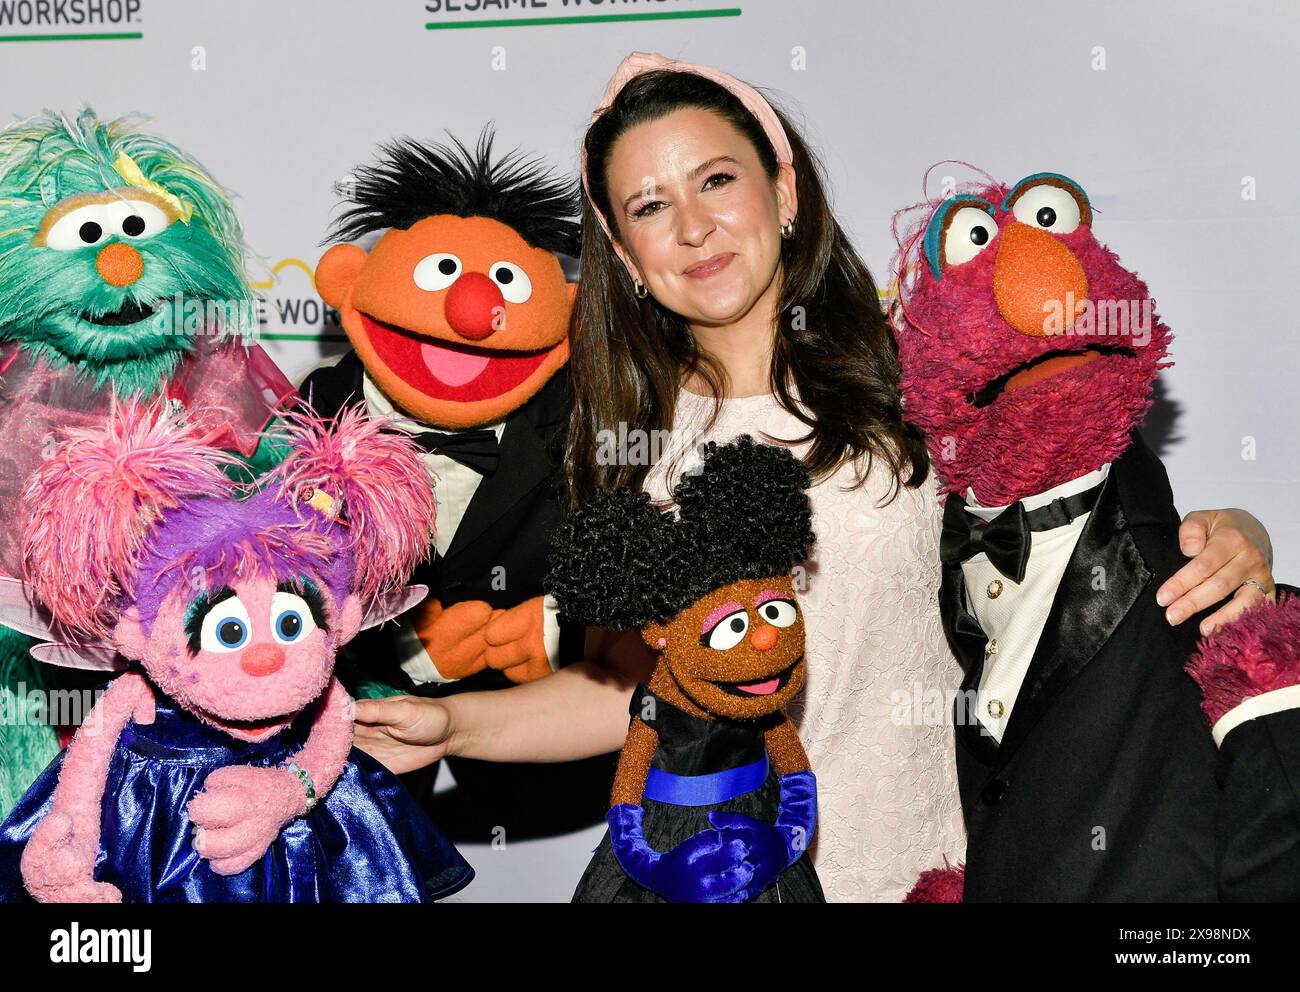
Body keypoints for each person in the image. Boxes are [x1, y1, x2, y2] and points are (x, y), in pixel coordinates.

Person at [354, 52, 1278, 901]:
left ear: (783, 189)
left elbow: (1067, 537)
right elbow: (638, 691)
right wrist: (458, 727)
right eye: (650, 206)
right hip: (743, 875)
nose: (694, 227)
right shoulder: (624, 443)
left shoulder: (918, 376)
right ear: (624, 252)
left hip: (960, 865)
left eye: (718, 180)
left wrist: (1231, 534)